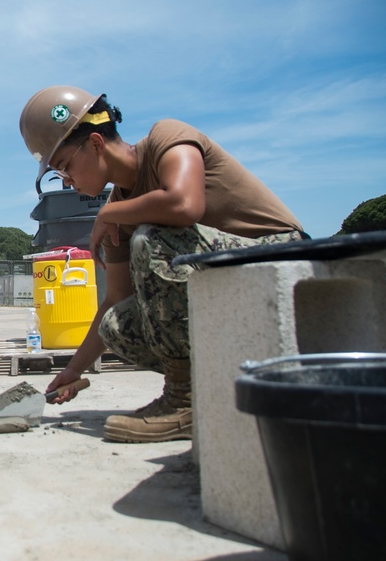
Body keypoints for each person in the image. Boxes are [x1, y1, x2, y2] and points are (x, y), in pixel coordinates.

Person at [19, 86, 305, 443]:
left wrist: (111, 213)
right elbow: (116, 297)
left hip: (280, 257)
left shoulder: (167, 138)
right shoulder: (119, 206)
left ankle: (183, 402)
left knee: (153, 238)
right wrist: (73, 369)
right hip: (227, 287)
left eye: (64, 165)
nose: (66, 180)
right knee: (116, 324)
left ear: (95, 143)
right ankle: (206, 386)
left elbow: (184, 205)